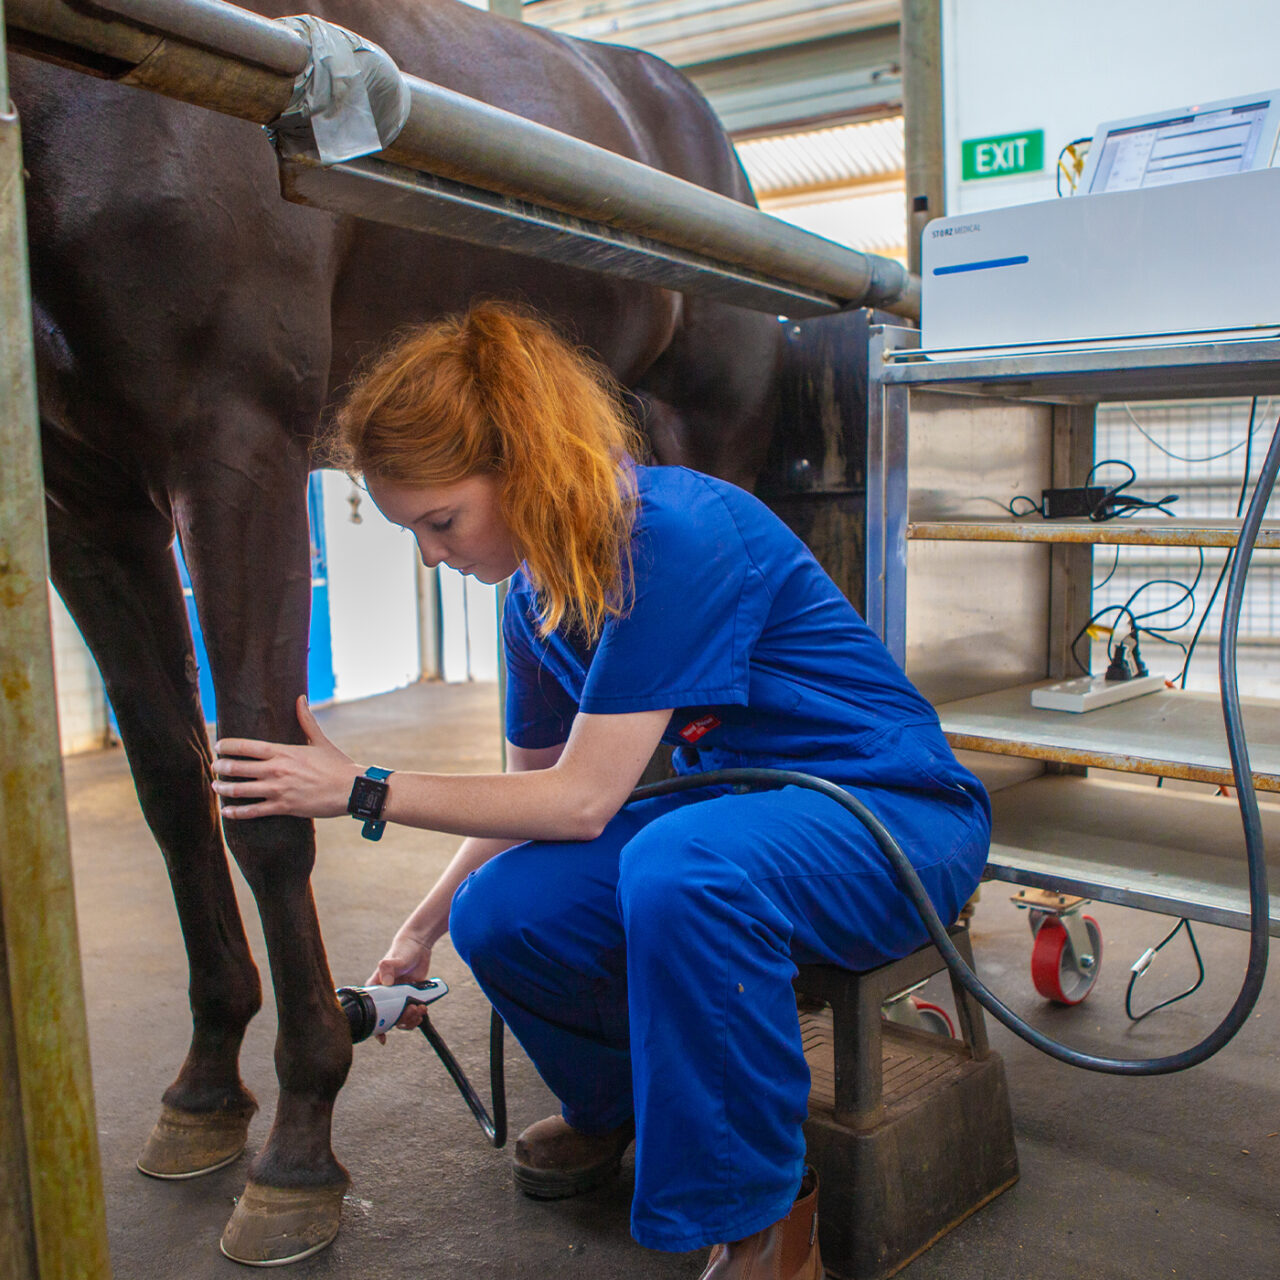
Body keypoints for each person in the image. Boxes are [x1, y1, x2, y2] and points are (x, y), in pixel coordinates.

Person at [211, 300, 990, 1280]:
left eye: (441, 520)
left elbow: (583, 801)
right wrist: (421, 928)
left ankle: (763, 1221)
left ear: (525, 465)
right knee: (504, 908)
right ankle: (613, 1101)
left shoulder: (676, 535)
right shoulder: (534, 595)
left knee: (679, 864)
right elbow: (528, 793)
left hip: (889, 815)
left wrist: (362, 788)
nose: (433, 555)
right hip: (741, 823)